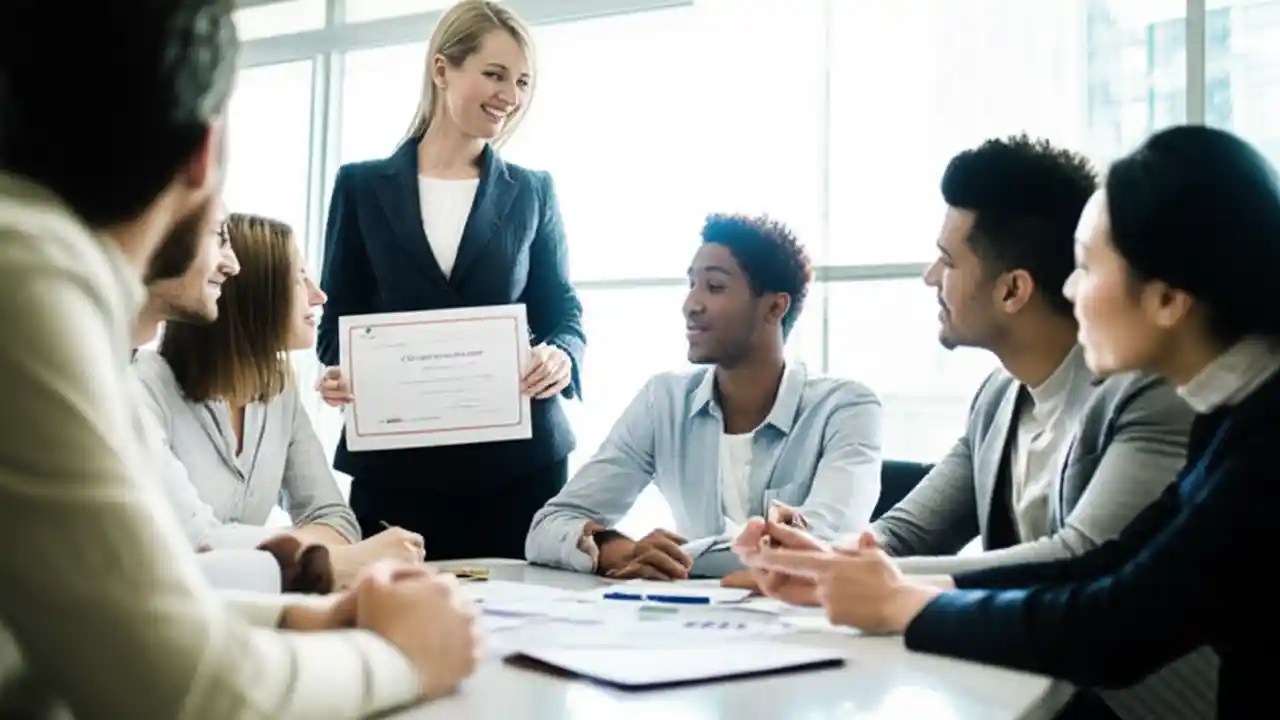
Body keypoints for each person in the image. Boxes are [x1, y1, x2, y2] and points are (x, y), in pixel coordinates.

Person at [0, 2, 480, 717]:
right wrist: (406, 655)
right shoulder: (29, 273)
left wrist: (296, 619)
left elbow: (108, 613)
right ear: (205, 148)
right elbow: (183, 692)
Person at [736, 125, 1280, 719]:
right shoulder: (1228, 418)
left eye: (1086, 269)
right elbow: (1112, 563)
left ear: (1169, 300)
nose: (1071, 291)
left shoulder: (1252, 434)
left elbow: (1120, 619)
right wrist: (832, 571)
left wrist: (900, 603)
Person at [316, 0, 585, 560]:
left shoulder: (533, 191)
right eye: (494, 74)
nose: (510, 96)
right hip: (398, 469)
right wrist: (339, 372)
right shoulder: (361, 187)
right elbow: (335, 322)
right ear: (442, 69)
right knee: (394, 627)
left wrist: (560, 355)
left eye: (522, 82)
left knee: (523, 630)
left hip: (520, 468)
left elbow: (563, 311)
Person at [526, 213, 882, 580]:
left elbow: (818, 546)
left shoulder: (846, 408)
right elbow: (548, 528)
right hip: (697, 623)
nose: (690, 304)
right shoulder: (664, 401)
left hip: (808, 625)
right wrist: (624, 551)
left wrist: (674, 556)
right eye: (692, 284)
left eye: (714, 287)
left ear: (774, 307)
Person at [136, 212, 426, 588]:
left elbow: (335, 517)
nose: (319, 295)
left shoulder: (280, 389)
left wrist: (306, 558)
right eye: (298, 279)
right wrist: (335, 561)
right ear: (256, 292)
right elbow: (191, 541)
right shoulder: (144, 386)